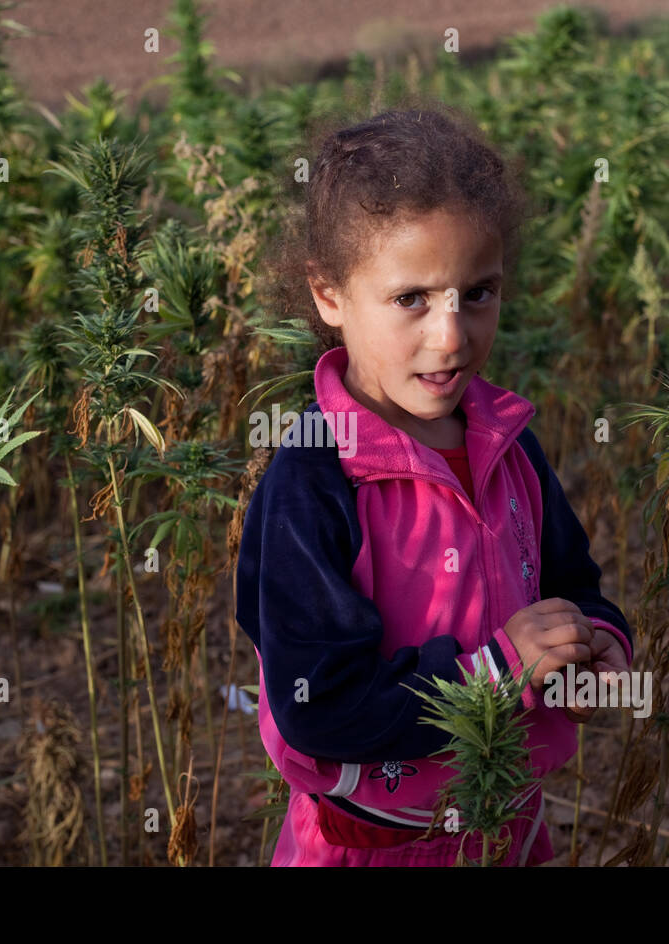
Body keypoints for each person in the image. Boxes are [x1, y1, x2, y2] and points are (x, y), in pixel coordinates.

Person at [236, 104, 633, 866]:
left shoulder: (507, 443)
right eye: (411, 298)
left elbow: (574, 585)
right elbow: (319, 705)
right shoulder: (315, 481)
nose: (450, 334)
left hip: (507, 827)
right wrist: (494, 673)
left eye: (477, 292)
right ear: (328, 294)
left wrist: (593, 645)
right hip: (372, 845)